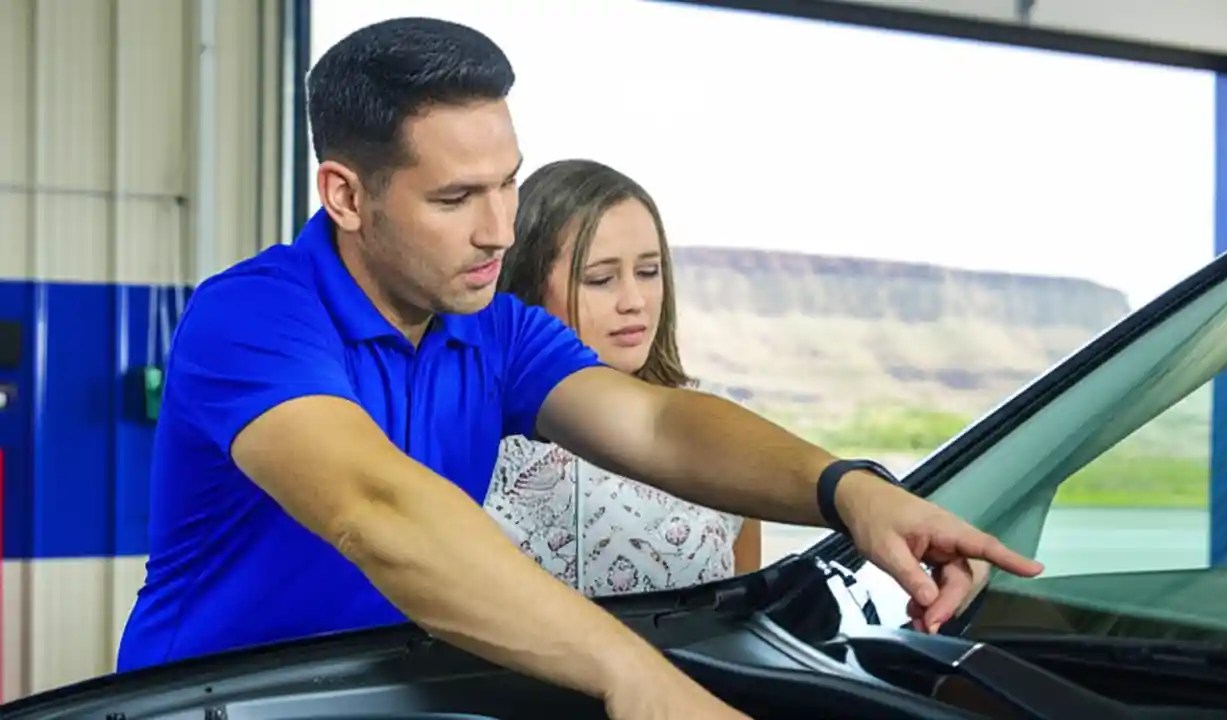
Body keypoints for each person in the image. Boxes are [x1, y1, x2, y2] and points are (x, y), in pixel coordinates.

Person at [117, 17, 1041, 720]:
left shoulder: (495, 330)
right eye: (455, 197)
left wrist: (846, 489)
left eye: (507, 181)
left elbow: (655, 423)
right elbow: (378, 511)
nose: (499, 228)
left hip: (386, 697)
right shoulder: (255, 315)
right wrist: (635, 677)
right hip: (222, 703)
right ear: (346, 195)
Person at [485, 159, 761, 596]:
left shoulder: (717, 431)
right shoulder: (472, 433)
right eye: (601, 279)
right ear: (529, 284)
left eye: (649, 272)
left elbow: (743, 625)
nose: (634, 300)